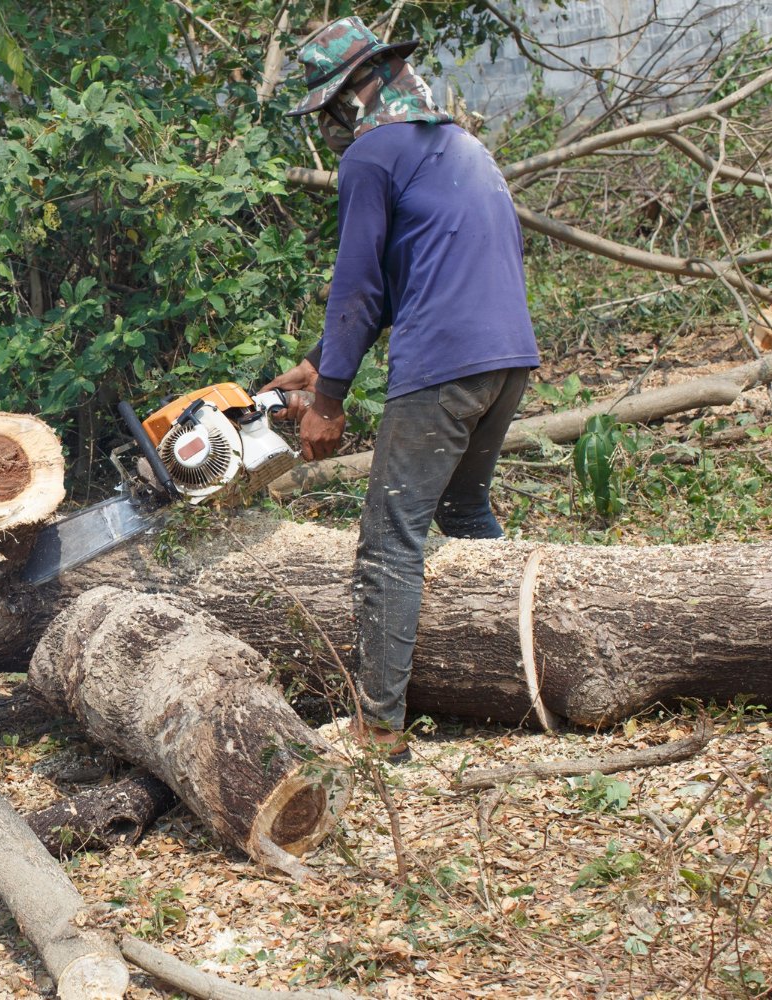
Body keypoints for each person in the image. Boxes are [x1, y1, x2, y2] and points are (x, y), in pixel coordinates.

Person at [261, 15, 540, 760]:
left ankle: (378, 728)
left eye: (326, 108)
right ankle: (533, 666)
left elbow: (356, 282)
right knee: (463, 505)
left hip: (444, 361)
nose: (325, 125)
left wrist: (327, 404)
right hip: (507, 356)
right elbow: (400, 274)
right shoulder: (464, 147)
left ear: (353, 94)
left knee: (386, 546)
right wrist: (325, 362)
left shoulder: (371, 154)